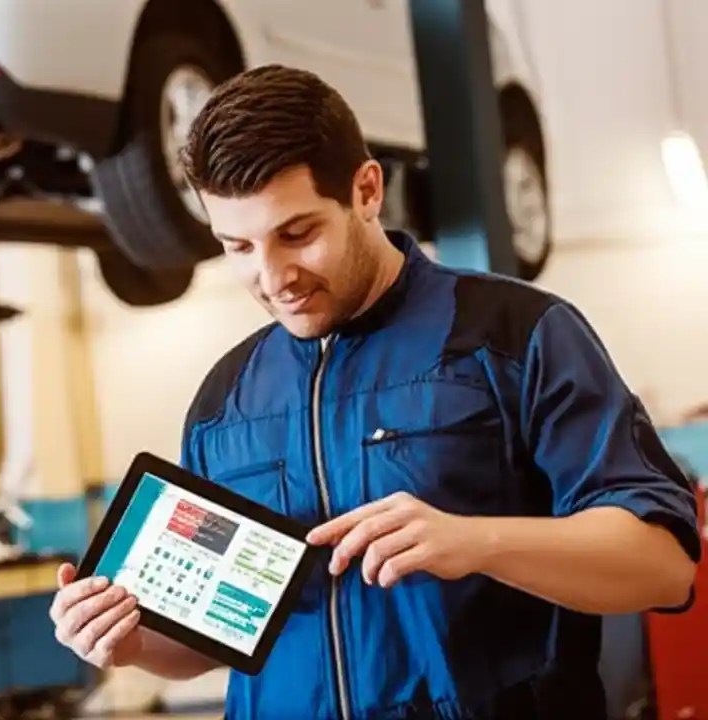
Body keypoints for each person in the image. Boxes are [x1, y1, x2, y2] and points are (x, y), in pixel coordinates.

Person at [50, 65, 701, 718]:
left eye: (297, 234)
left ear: (366, 190)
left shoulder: (514, 335)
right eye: (238, 246)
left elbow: (664, 565)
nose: (273, 278)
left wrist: (478, 542)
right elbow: (219, 633)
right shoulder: (226, 400)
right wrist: (131, 641)